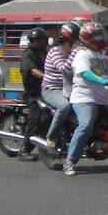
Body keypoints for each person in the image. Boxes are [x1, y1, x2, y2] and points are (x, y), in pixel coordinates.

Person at [62, 22, 108, 175]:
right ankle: (69, 161)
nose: (100, 38)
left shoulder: (102, 55)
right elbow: (85, 74)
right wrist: (103, 81)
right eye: (96, 36)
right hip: (84, 98)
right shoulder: (82, 54)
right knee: (85, 126)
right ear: (87, 38)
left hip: (102, 99)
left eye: (101, 35)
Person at [32, 22, 78, 152]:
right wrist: (74, 53)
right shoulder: (54, 52)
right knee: (64, 106)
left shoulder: (72, 53)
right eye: (74, 42)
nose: (76, 45)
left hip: (69, 89)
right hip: (52, 89)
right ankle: (51, 136)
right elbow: (64, 69)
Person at [18, 27, 49, 153]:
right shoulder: (28, 55)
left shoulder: (46, 53)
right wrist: (47, 77)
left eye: (40, 40)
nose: (38, 43)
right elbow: (33, 71)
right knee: (36, 118)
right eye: (35, 40)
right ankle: (24, 149)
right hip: (32, 93)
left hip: (45, 91)